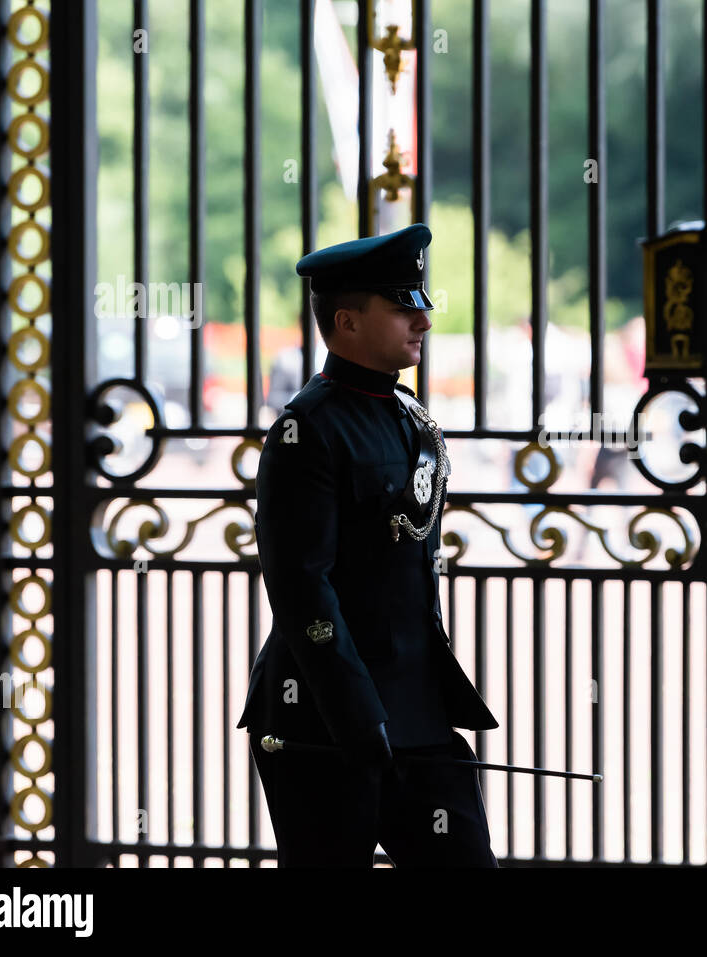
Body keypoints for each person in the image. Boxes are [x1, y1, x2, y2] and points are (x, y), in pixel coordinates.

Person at [236, 223, 500, 867]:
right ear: (347, 322)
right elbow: (302, 586)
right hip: (324, 715)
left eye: (420, 304)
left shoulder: (410, 419)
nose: (423, 321)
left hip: (416, 710)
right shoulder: (308, 429)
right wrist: (356, 714)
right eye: (403, 307)